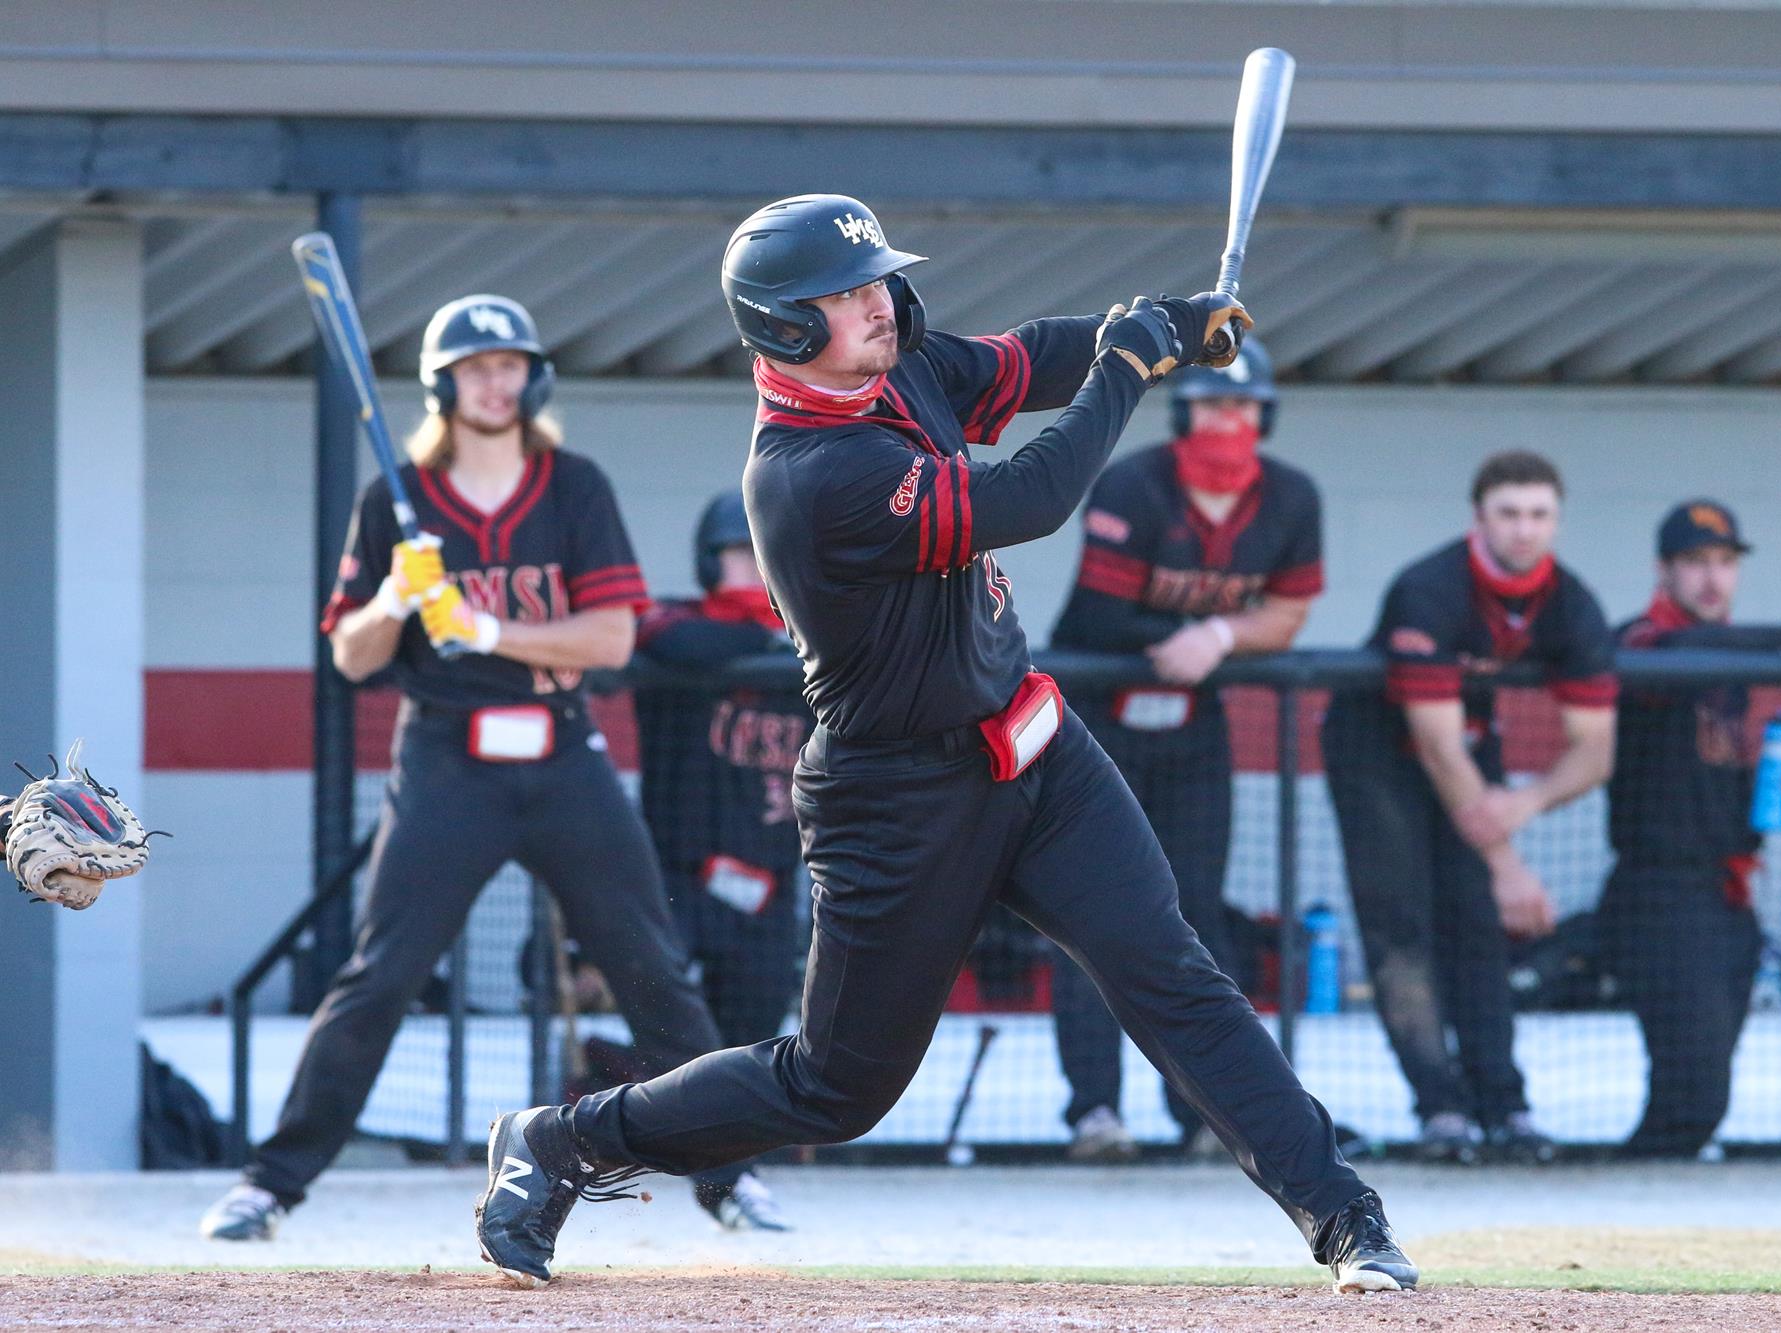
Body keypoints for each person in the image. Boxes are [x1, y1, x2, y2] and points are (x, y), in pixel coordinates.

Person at [474, 194, 1416, 1294]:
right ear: (782, 327)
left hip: (1032, 750)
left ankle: (1342, 1213)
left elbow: (1028, 361)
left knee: (1171, 974)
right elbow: (1031, 492)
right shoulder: (808, 476)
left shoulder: (900, 364)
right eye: (846, 295)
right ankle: (564, 1139)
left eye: (877, 282)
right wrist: (1129, 371)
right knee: (834, 1089)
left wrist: (1166, 326)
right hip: (894, 795)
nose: (879, 305)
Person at [200, 295, 782, 1241]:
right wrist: (395, 597)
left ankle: (729, 1179)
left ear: (532, 376)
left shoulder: (572, 485)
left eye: (510, 364)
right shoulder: (398, 499)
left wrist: (485, 627)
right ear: (445, 382)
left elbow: (611, 634)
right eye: (476, 366)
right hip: (444, 758)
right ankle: (271, 1182)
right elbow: (351, 655)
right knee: (380, 974)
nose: (495, 380)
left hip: (562, 753)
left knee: (652, 968)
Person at [1045, 337, 1322, 1162]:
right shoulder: (1134, 484)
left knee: (1195, 913)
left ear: (1262, 415)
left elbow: (1289, 614)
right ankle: (1095, 1110)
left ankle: (1207, 1113)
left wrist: (1219, 632)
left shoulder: (1291, 497)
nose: (1227, 421)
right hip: (1101, 724)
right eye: (1211, 406)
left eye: (1241, 407)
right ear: (1184, 413)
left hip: (1195, 729)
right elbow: (1099, 618)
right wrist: (1188, 634)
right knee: (1089, 911)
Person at [1323, 450, 1615, 1165]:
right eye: (1509, 513)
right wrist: (1507, 861)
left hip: (1469, 745)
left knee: (1479, 928)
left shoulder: (1572, 602)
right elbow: (1435, 744)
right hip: (1379, 748)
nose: (1524, 529)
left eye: (1539, 514)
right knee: (1404, 931)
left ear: (1558, 521)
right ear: (1478, 519)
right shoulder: (1429, 587)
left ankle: (1505, 1105)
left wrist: (1528, 801)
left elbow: (1595, 750)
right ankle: (1442, 1109)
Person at [1601, 500, 1781, 1158]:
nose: (1712, 578)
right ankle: (1619, 1208)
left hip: (1726, 895)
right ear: (1662, 569)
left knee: (1698, 1097)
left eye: (1725, 563)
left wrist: (1758, 791)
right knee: (1693, 1089)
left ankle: (1637, 1217)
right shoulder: (1643, 638)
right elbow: (1670, 649)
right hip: (1658, 894)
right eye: (1695, 562)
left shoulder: (1731, 670)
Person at [632, 491, 809, 1053]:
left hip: (768, 885)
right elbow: (662, 635)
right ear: (710, 561)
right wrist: (763, 638)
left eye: (767, 553)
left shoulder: (815, 641)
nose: (756, 568)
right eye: (741, 552)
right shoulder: (677, 621)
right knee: (668, 1041)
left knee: (751, 1047)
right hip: (678, 880)